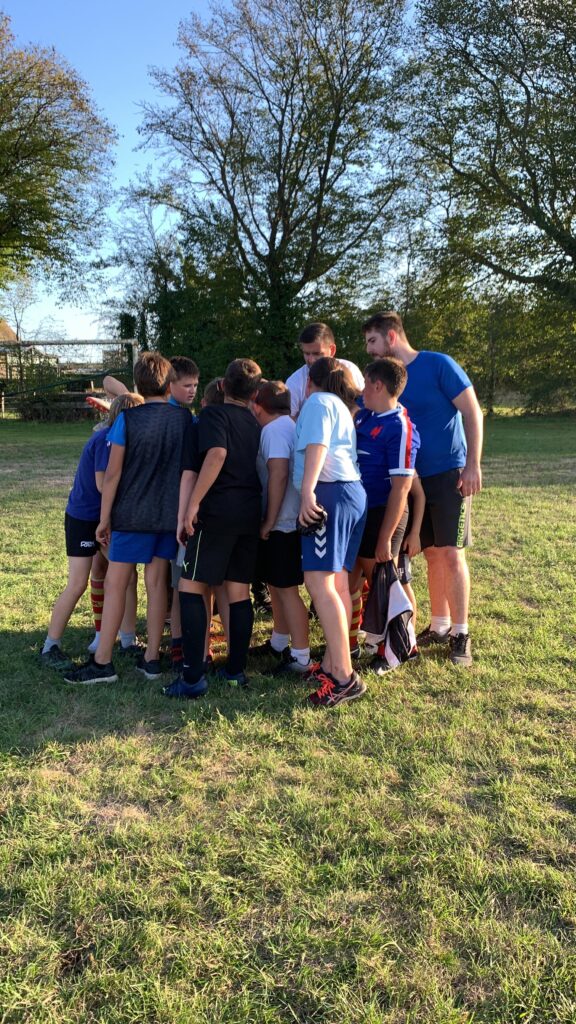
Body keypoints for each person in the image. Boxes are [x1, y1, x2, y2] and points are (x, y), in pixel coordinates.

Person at [362, 311, 483, 667]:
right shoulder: (385, 381)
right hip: (413, 482)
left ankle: (461, 632)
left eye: (372, 341)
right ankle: (440, 625)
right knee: (430, 553)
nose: (369, 350)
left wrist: (473, 464)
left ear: (392, 337)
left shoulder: (437, 365)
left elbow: (472, 411)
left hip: (449, 474)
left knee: (450, 553)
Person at [64, 352, 192, 685]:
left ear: (138, 384)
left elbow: (113, 474)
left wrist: (103, 519)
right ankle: (151, 659)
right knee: (156, 584)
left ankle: (103, 661)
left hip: (130, 514)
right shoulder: (185, 419)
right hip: (168, 515)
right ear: (168, 384)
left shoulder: (126, 421)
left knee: (117, 584)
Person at [163, 358, 263, 699]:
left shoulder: (212, 416)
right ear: (254, 393)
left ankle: (192, 678)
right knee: (238, 592)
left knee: (190, 587)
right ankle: (235, 671)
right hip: (248, 514)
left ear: (222, 386)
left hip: (217, 513)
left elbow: (215, 456)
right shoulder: (255, 421)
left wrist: (191, 508)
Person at [40, 393, 144, 671]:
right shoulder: (106, 440)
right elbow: (102, 485)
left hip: (106, 518)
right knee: (77, 583)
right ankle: (50, 645)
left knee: (127, 576)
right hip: (85, 519)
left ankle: (127, 639)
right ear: (128, 418)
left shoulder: (122, 439)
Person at [294, 356, 367, 707]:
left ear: (310, 381)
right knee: (336, 582)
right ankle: (332, 662)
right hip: (349, 492)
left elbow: (317, 446)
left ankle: (343, 676)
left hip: (330, 493)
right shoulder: (337, 403)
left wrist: (307, 491)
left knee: (319, 583)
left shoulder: (318, 402)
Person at [351, 357, 420, 671]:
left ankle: (400, 646)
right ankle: (359, 640)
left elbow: (401, 489)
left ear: (378, 385)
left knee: (386, 580)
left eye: (366, 383)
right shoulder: (366, 415)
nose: (362, 390)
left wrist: (385, 537)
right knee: (360, 578)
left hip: (385, 514)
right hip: (362, 511)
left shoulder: (401, 426)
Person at [251, 380, 311, 674]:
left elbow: (278, 475)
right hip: (289, 519)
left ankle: (301, 656)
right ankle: (279, 641)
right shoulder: (290, 425)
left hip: (283, 523)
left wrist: (269, 520)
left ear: (256, 405)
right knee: (277, 584)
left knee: (287, 589)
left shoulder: (273, 431)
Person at [286, 322, 365, 418]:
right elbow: (289, 419)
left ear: (332, 350)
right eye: (306, 353)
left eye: (316, 353)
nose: (310, 360)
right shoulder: (295, 381)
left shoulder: (351, 369)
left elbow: (363, 404)